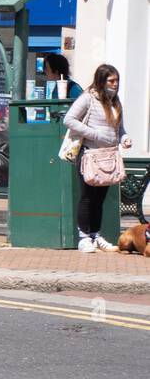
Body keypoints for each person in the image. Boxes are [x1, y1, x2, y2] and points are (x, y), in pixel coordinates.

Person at [64, 63, 132, 252]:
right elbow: (69, 119)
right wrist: (94, 134)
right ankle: (83, 237)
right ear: (101, 81)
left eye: (117, 81)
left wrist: (124, 138)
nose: (115, 84)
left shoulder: (115, 101)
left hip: (108, 155)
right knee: (87, 196)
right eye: (111, 81)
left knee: (100, 198)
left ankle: (96, 234)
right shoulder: (88, 98)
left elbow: (120, 128)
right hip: (90, 154)